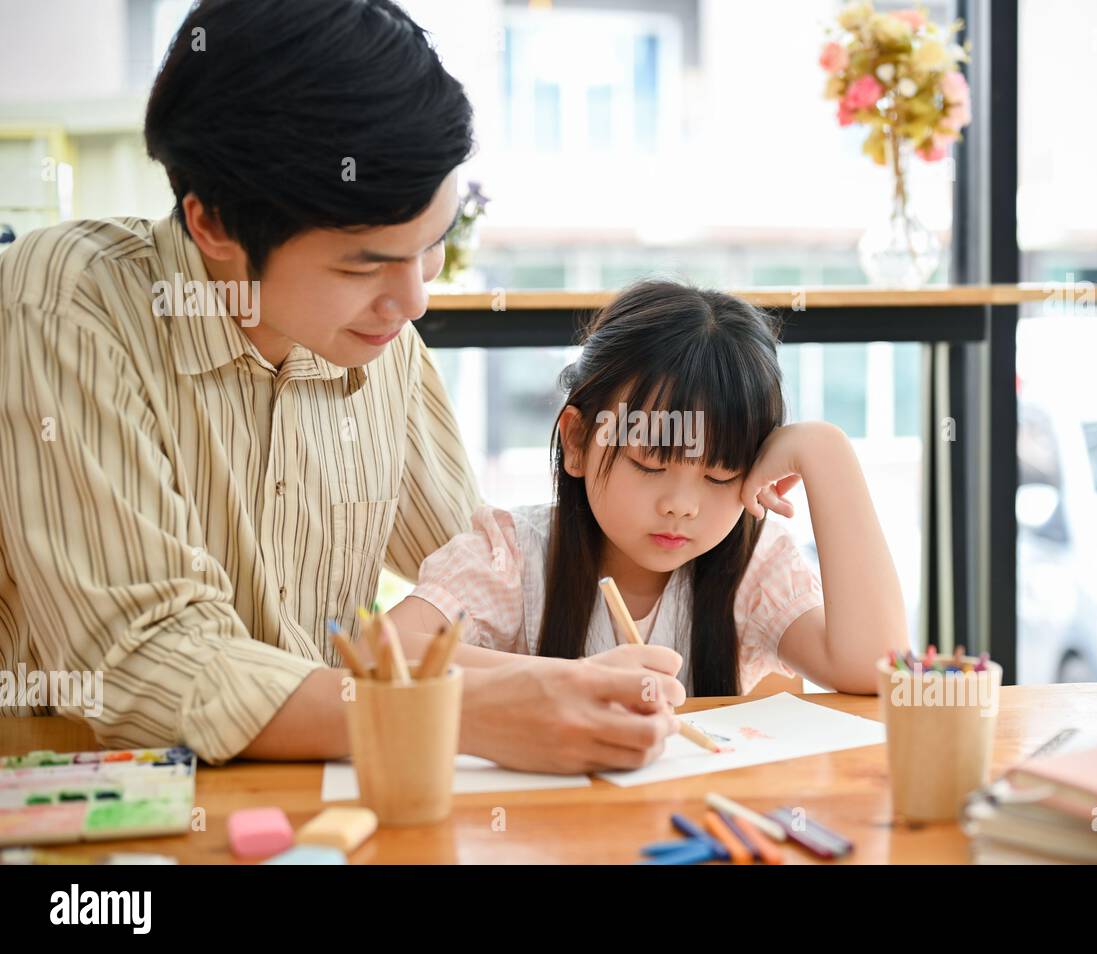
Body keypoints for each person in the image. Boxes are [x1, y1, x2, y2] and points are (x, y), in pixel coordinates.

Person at [0, 0, 682, 773]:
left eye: (431, 246)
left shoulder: (375, 340)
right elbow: (147, 661)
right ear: (214, 227)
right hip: (91, 810)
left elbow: (493, 576)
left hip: (315, 811)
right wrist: (468, 714)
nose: (415, 299)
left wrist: (727, 481)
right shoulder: (69, 304)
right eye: (365, 263)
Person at [388, 281, 908, 695]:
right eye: (648, 464)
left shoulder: (754, 566)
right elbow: (387, 651)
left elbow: (872, 669)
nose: (680, 506)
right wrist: (565, 681)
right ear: (577, 441)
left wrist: (826, 452)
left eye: (720, 475)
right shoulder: (514, 554)